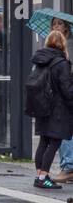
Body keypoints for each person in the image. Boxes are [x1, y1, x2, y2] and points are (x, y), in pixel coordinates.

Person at [25, 31, 73, 189]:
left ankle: (39, 175)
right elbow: (67, 89)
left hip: (42, 106)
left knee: (44, 141)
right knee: (54, 142)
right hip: (57, 109)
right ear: (62, 44)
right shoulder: (61, 63)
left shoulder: (41, 60)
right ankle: (43, 177)